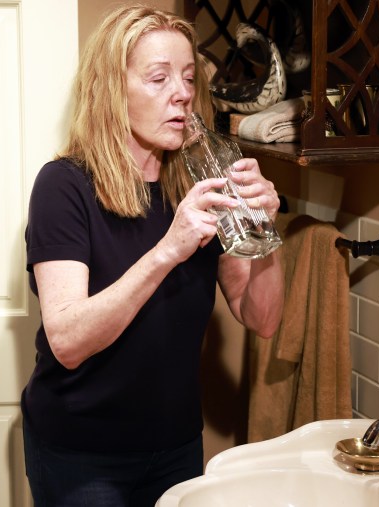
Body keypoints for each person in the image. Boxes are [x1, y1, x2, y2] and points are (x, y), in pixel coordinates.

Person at [21, 5, 285, 507]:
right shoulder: (63, 187)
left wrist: (266, 230)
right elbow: (68, 341)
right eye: (159, 78)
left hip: (176, 446)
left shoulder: (201, 181)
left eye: (188, 78)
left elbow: (263, 318)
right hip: (81, 453)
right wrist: (168, 249)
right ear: (111, 90)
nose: (182, 93)